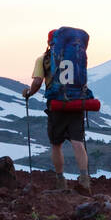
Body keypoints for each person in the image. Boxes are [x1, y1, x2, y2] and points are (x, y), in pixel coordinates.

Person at [24, 29, 92, 195]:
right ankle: (84, 179)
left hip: (57, 105)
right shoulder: (77, 57)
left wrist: (28, 93)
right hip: (77, 102)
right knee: (77, 142)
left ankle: (60, 180)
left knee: (56, 144)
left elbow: (38, 81)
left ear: (50, 42)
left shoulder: (44, 59)